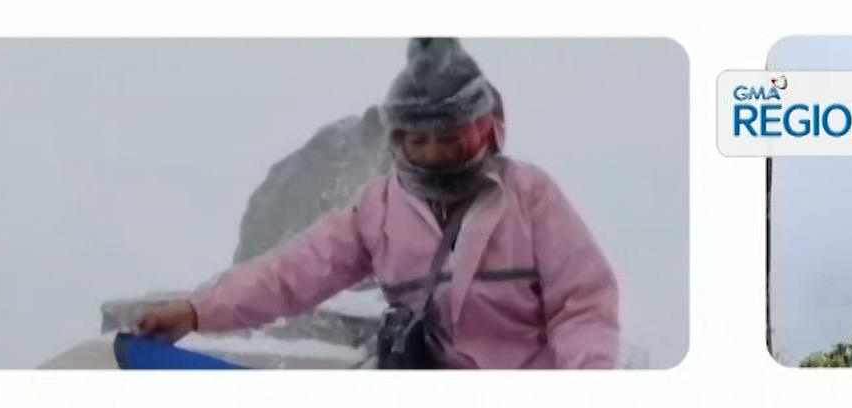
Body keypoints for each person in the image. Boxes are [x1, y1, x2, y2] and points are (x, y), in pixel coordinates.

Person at [131, 38, 620, 369]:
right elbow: (293, 272)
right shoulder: (380, 208)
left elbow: (583, 304)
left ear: (483, 130)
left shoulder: (530, 195)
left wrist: (585, 394)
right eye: (418, 140)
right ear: (399, 140)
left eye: (450, 138)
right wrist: (197, 311)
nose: (434, 154)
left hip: (527, 403)